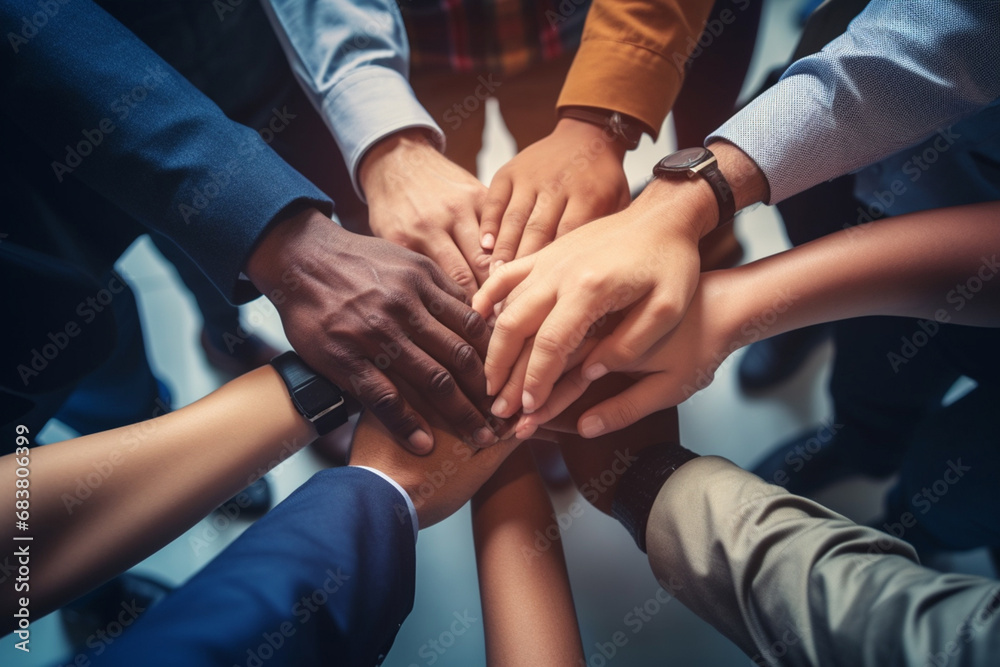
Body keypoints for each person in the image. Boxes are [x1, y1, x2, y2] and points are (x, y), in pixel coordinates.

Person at [1, 0, 499, 456]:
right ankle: (210, 373)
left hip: (259, 52)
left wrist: (385, 136)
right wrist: (284, 239)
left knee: (349, 222)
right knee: (171, 276)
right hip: (74, 123)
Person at [471, 0, 1000, 429]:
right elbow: (928, 38)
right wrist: (685, 202)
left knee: (911, 382)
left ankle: (866, 447)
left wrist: (739, 302)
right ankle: (820, 353)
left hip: (966, 257)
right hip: (815, 142)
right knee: (845, 312)